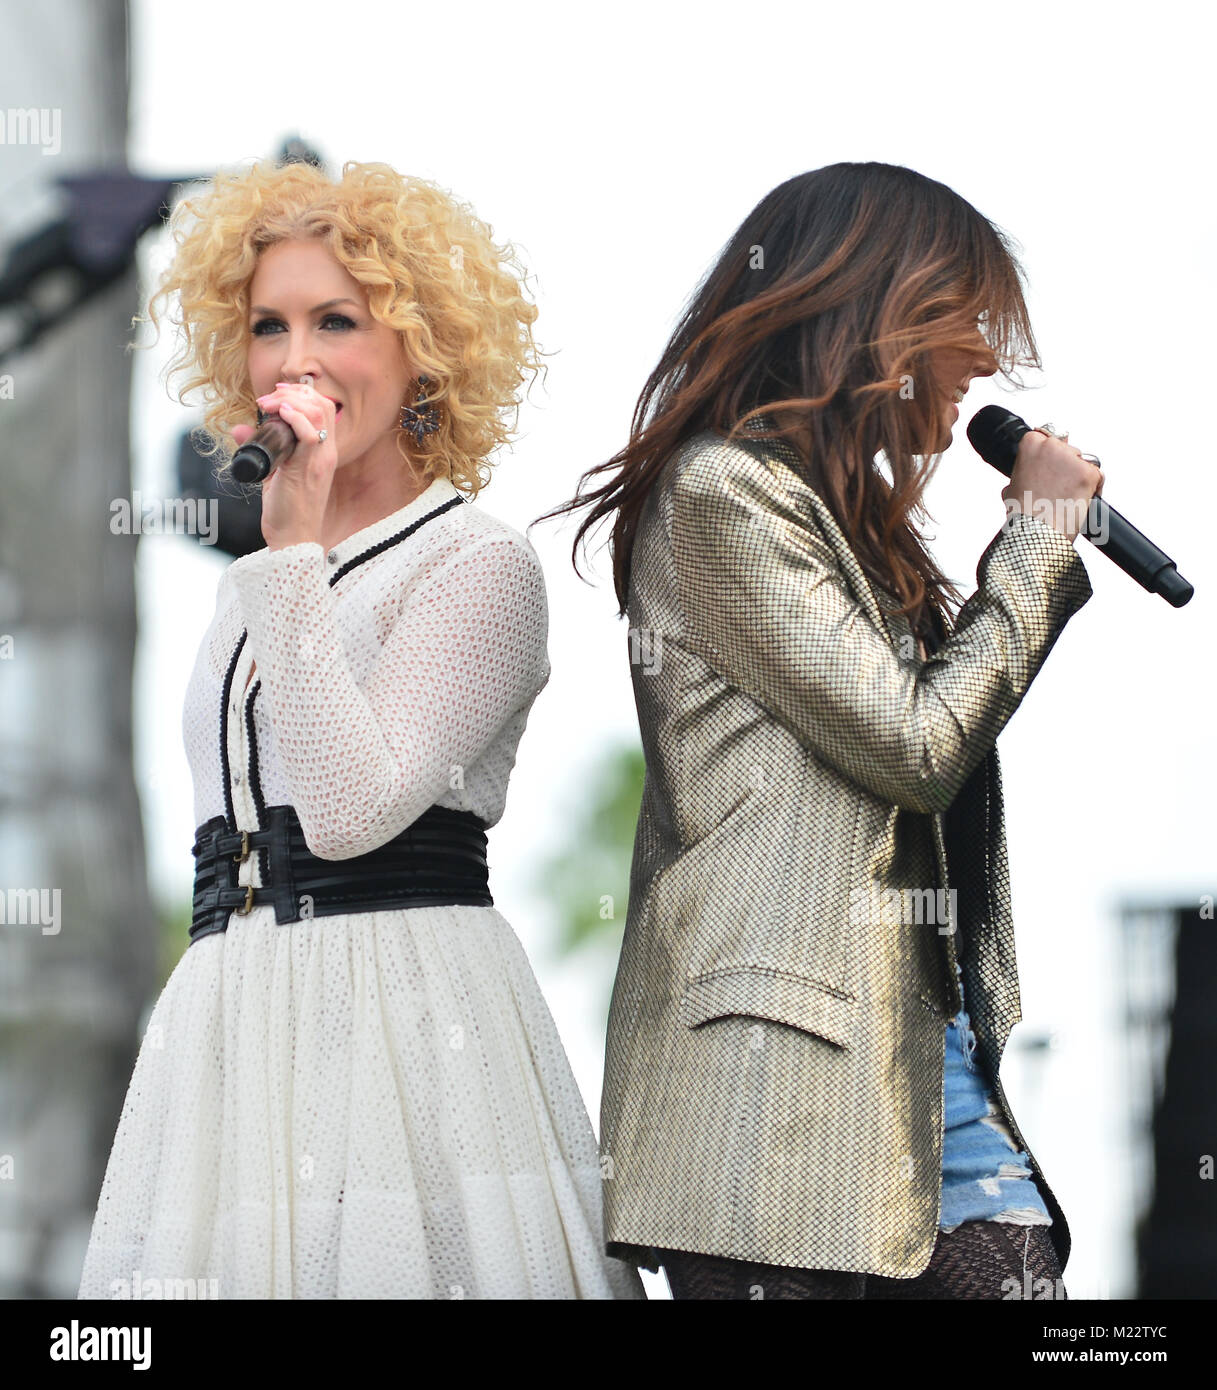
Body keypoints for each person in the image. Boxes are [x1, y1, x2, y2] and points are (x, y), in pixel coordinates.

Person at [77, 159, 643, 1300]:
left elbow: (343, 816)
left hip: (402, 1017)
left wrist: (287, 560)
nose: (295, 359)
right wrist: (281, 561)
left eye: (337, 320)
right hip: (230, 1013)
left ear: (418, 347)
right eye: (268, 326)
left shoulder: (475, 563)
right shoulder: (252, 581)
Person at [538, 162, 1100, 1299]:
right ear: (872, 319)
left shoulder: (848, 533)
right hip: (771, 1113)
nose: (986, 362)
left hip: (922, 1086)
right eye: (962, 320)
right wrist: (1037, 543)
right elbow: (916, 746)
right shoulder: (720, 498)